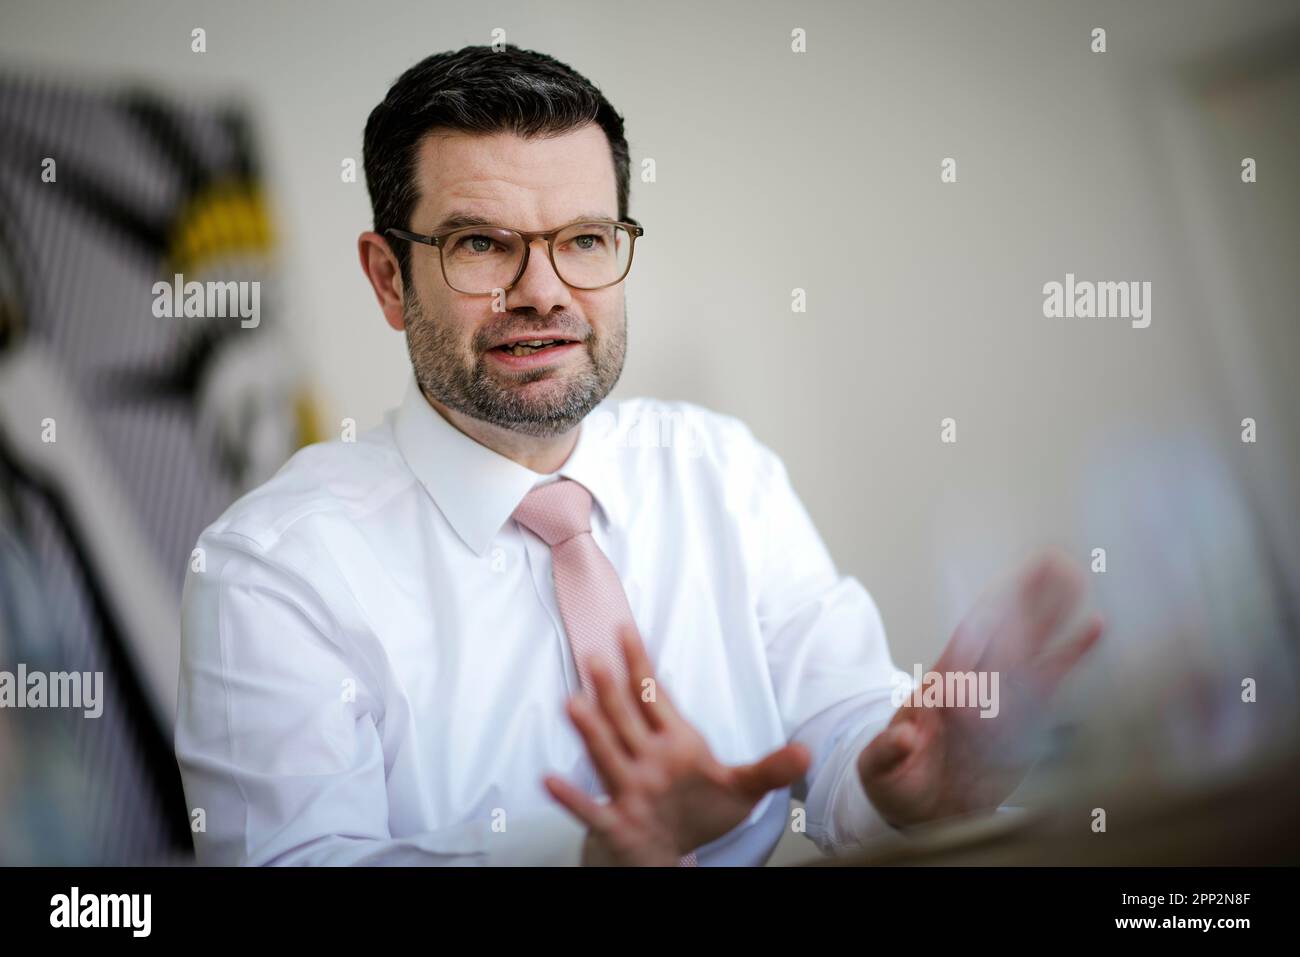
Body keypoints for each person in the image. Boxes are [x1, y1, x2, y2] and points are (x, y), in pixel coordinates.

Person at [175, 43, 1103, 866]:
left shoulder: (721, 471)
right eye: (480, 245)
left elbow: (840, 729)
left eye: (584, 239)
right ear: (389, 277)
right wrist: (584, 863)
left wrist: (901, 782)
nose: (542, 292)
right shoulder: (273, 568)